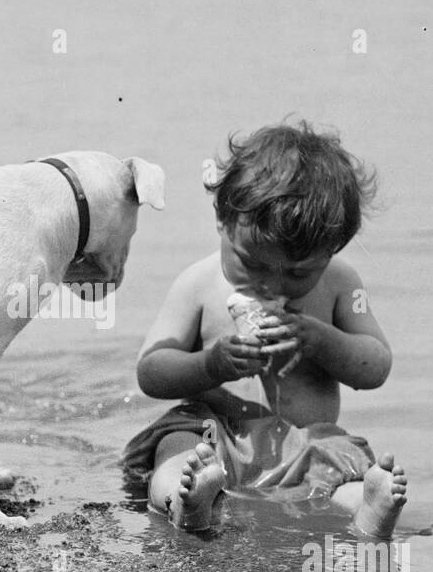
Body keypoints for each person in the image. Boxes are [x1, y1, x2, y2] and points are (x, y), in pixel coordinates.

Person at [122, 121, 407, 536]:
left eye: (297, 274)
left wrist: (320, 339)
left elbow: (375, 366)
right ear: (222, 220)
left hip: (304, 442)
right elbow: (152, 371)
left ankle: (368, 509)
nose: (271, 285)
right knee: (177, 446)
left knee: (339, 463)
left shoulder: (340, 284)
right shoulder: (199, 284)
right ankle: (185, 500)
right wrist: (211, 365)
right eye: (253, 265)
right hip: (212, 431)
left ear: (332, 251)